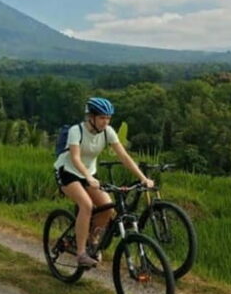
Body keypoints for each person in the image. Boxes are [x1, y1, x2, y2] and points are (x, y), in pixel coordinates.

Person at [53, 97, 155, 268]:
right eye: (101, 118)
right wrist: (88, 177)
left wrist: (142, 178)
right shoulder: (76, 131)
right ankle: (81, 254)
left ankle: (93, 241)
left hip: (89, 174)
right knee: (86, 205)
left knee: (107, 207)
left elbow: (124, 157)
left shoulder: (108, 132)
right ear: (91, 117)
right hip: (68, 172)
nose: (105, 122)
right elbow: (75, 158)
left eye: (108, 118)